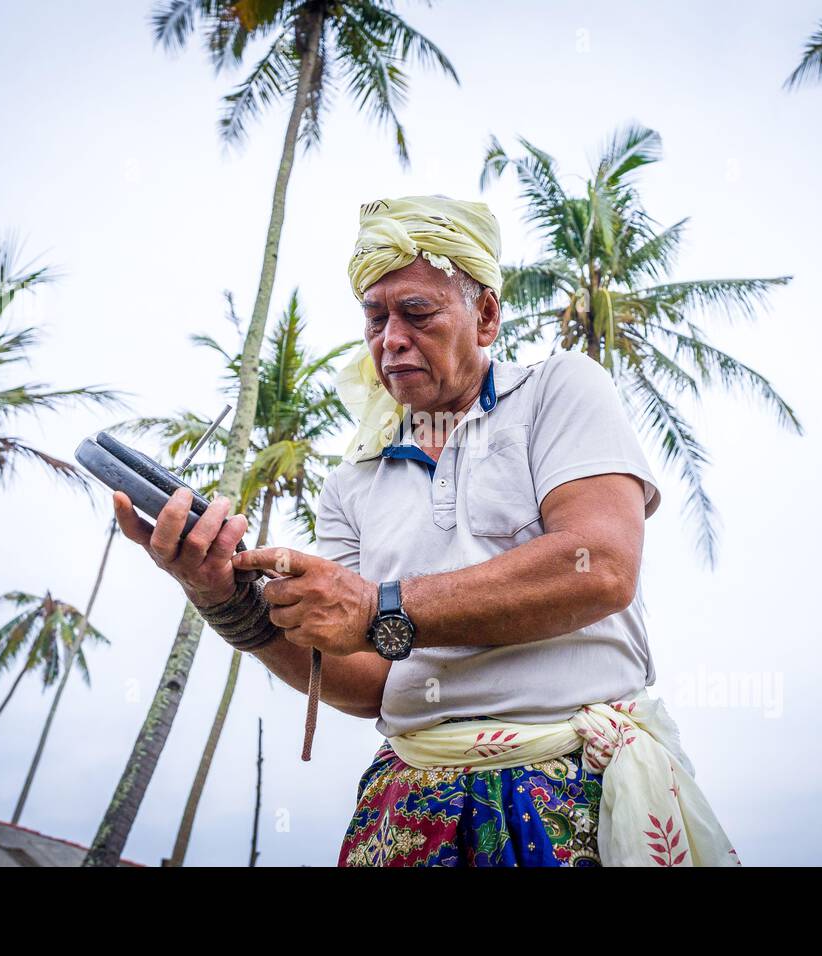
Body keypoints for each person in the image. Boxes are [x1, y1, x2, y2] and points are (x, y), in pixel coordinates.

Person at [112, 195, 741, 867]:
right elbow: (369, 682)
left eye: (416, 313)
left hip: (567, 787)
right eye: (375, 317)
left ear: (488, 316)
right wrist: (225, 601)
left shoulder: (561, 391)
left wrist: (379, 605)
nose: (391, 339)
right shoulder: (352, 482)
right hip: (410, 805)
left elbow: (601, 567)